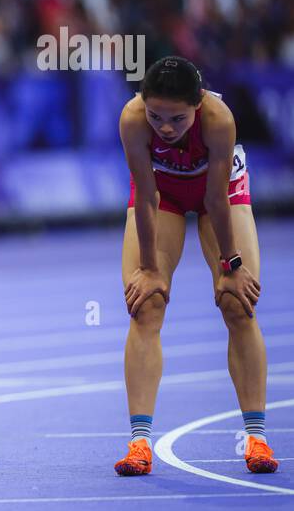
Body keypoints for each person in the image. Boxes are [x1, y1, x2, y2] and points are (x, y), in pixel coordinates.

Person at [117, 56, 276, 476]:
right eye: (156, 116)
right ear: (142, 103)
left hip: (216, 194)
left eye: (177, 118)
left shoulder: (219, 119)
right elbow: (147, 198)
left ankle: (256, 437)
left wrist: (232, 265)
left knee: (236, 301)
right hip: (162, 193)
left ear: (199, 103)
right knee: (146, 303)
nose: (165, 127)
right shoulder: (132, 119)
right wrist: (150, 268)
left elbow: (215, 201)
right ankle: (138, 443)